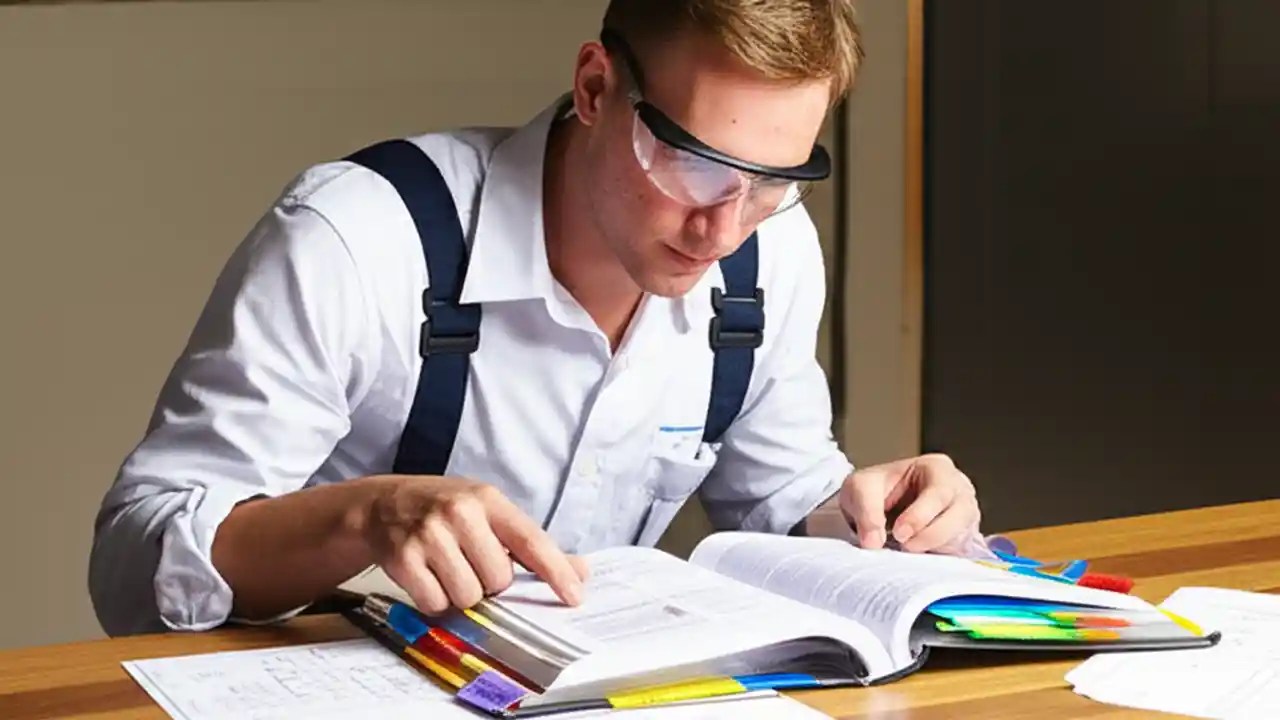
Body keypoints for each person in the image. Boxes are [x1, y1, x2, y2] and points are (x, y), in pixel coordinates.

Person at [89, 0, 981, 637]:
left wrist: (877, 517)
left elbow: (781, 497)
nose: (722, 227)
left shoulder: (768, 251)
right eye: (694, 163)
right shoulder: (360, 239)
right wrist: (365, 519)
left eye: (772, 180)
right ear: (595, 87)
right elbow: (137, 560)